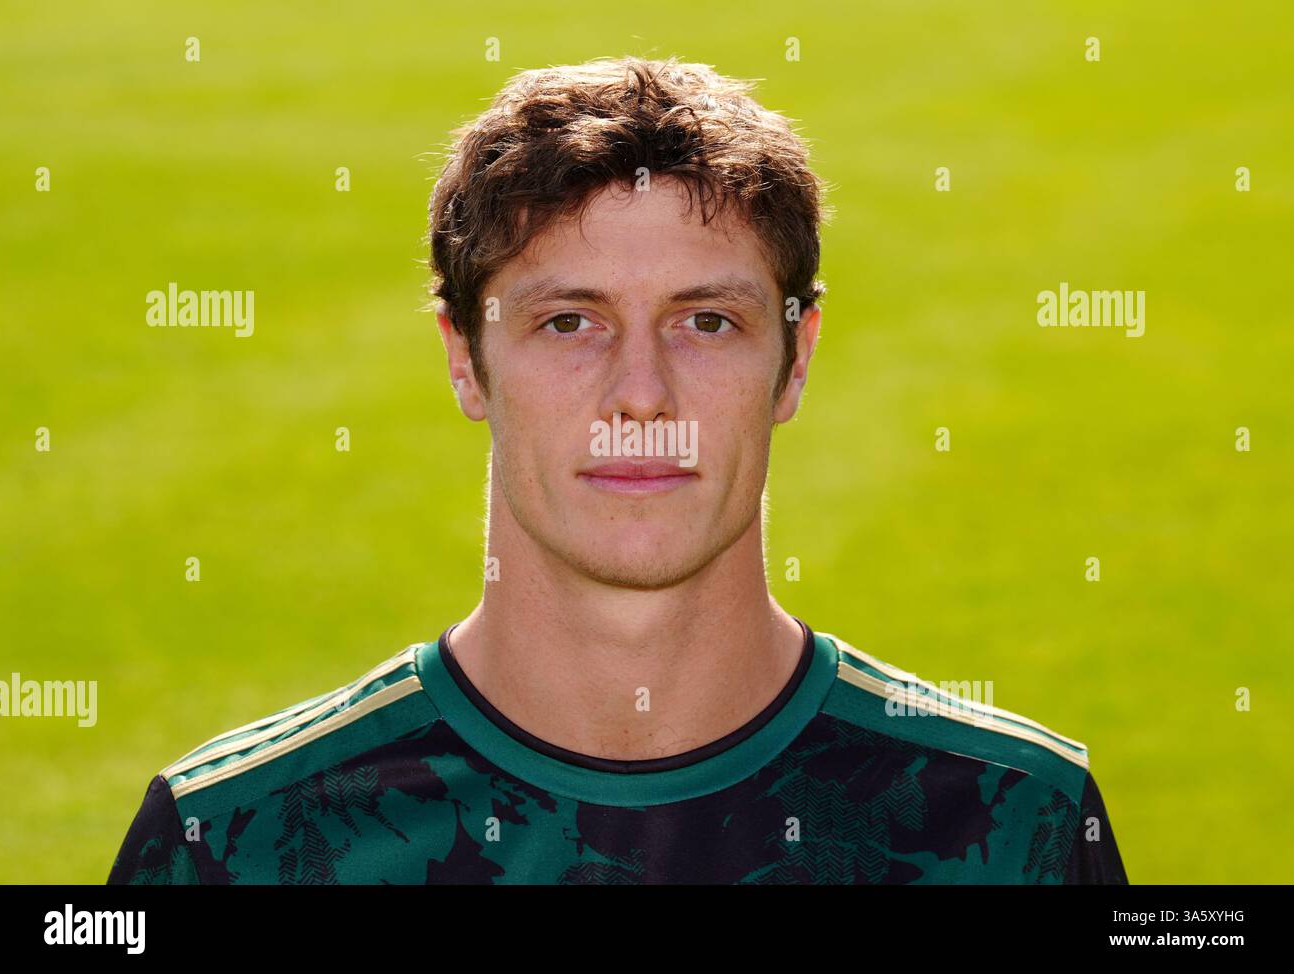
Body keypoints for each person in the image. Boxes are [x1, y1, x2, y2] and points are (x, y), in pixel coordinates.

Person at [108, 56, 1127, 884]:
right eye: (568, 321)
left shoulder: (1016, 823)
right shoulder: (229, 845)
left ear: (795, 356)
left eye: (705, 321)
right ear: (465, 357)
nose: (641, 394)